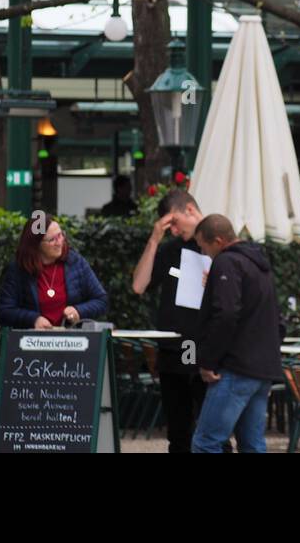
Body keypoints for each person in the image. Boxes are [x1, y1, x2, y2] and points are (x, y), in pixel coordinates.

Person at [190, 214, 284, 454]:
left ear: (218, 241)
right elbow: (276, 318)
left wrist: (208, 360)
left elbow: (226, 314)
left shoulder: (227, 262)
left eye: (204, 247)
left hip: (236, 367)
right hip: (262, 368)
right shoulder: (260, 264)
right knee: (252, 444)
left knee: (205, 442)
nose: (204, 254)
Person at [130, 188, 208, 453]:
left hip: (205, 350)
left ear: (189, 210)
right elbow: (139, 286)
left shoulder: (216, 245)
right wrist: (154, 240)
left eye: (173, 222)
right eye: (168, 226)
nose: (173, 230)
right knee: (178, 431)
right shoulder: (170, 249)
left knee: (212, 430)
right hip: (173, 350)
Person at [0, 216, 108, 329]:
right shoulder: (19, 269)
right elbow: (4, 311)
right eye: (52, 239)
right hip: (32, 342)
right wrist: (33, 319)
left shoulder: (75, 262)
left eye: (60, 235)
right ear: (36, 245)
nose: (59, 242)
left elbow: (101, 300)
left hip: (72, 342)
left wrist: (79, 311)